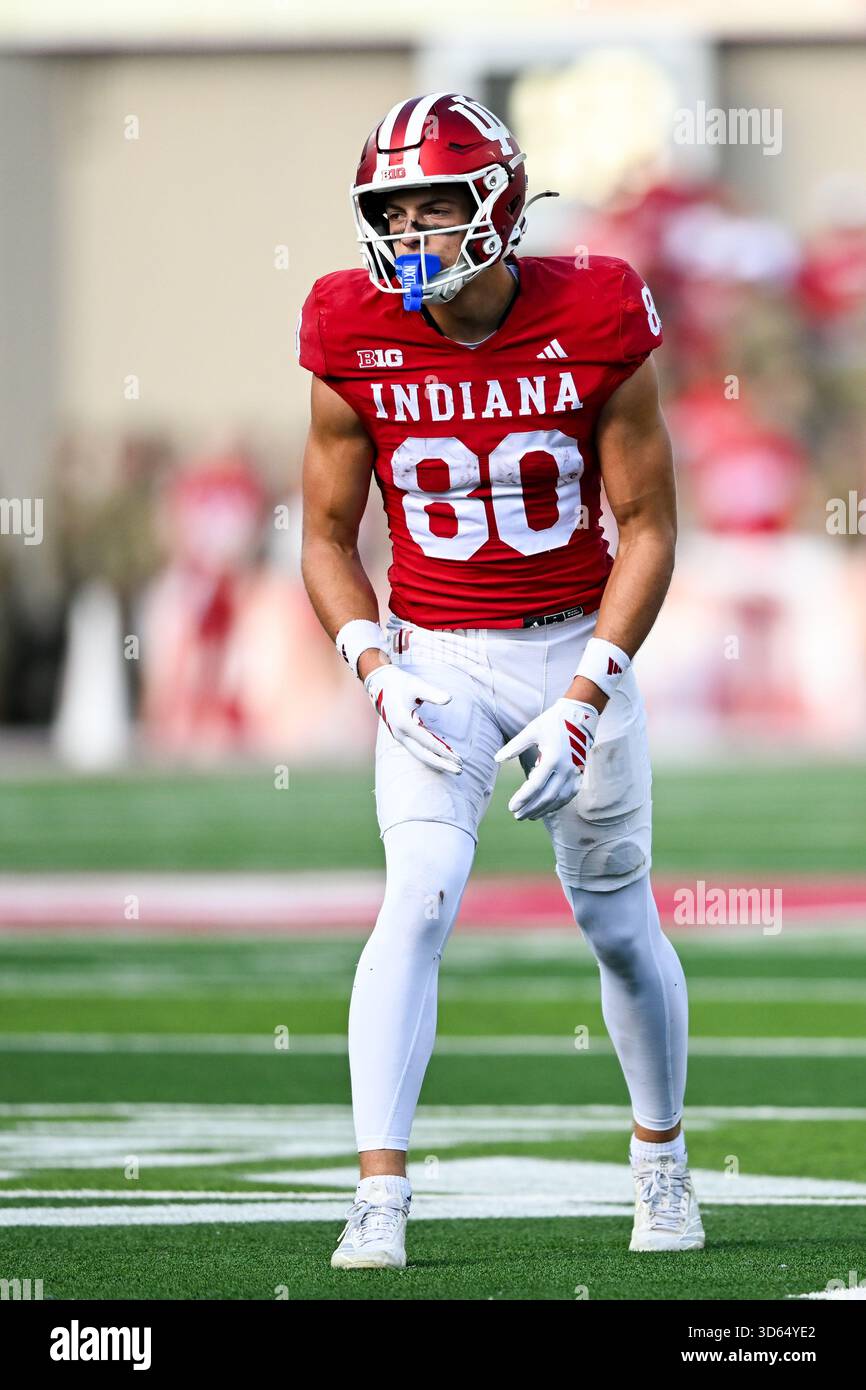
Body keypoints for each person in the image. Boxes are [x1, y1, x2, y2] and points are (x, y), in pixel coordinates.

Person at [297, 91, 704, 1269]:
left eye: (434, 203)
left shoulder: (595, 307)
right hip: (434, 657)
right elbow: (326, 534)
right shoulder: (345, 324)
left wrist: (583, 697)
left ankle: (662, 1164)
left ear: (499, 203)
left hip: (575, 642)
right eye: (392, 207)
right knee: (416, 892)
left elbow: (647, 528)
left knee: (618, 924)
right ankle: (378, 1192)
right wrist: (372, 667)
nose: (410, 230)